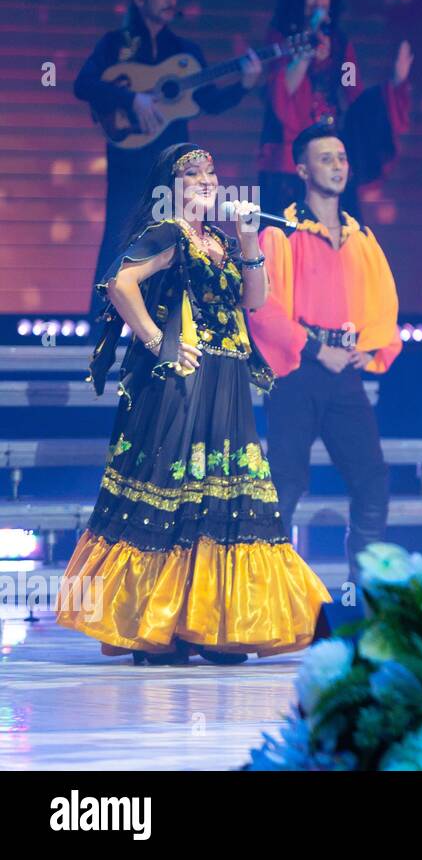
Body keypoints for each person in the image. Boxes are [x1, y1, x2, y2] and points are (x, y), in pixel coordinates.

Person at [55, 143, 331, 664]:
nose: (206, 180)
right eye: (192, 174)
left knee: (222, 502)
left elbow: (254, 300)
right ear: (170, 188)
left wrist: (250, 238)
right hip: (180, 385)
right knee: (173, 497)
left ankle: (214, 624)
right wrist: (158, 338)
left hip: (225, 384)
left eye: (211, 171)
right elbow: (119, 282)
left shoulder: (222, 241)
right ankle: (158, 624)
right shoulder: (168, 233)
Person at [247, 124, 402, 580]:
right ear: (301, 169)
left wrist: (368, 346)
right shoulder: (282, 232)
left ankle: (364, 589)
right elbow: (262, 306)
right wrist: (315, 348)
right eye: (325, 158)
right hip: (297, 370)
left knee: (372, 478)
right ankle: (268, 590)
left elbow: (384, 302)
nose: (337, 165)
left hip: (344, 372)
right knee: (286, 483)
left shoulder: (361, 238)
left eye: (342, 157)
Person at [74, 0, 261, 316]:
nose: (170, 0)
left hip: (174, 165)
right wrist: (132, 98)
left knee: (177, 233)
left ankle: (174, 318)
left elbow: (209, 101)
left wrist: (244, 84)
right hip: (130, 160)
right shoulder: (115, 44)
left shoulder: (185, 52)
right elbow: (84, 84)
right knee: (120, 232)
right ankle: (101, 325)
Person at [258, 0, 412, 223]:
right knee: (286, 231)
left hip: (328, 147)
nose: (318, 2)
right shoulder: (280, 40)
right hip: (286, 154)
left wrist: (394, 84)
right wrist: (307, 47)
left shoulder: (340, 44)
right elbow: (282, 95)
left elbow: (356, 98)